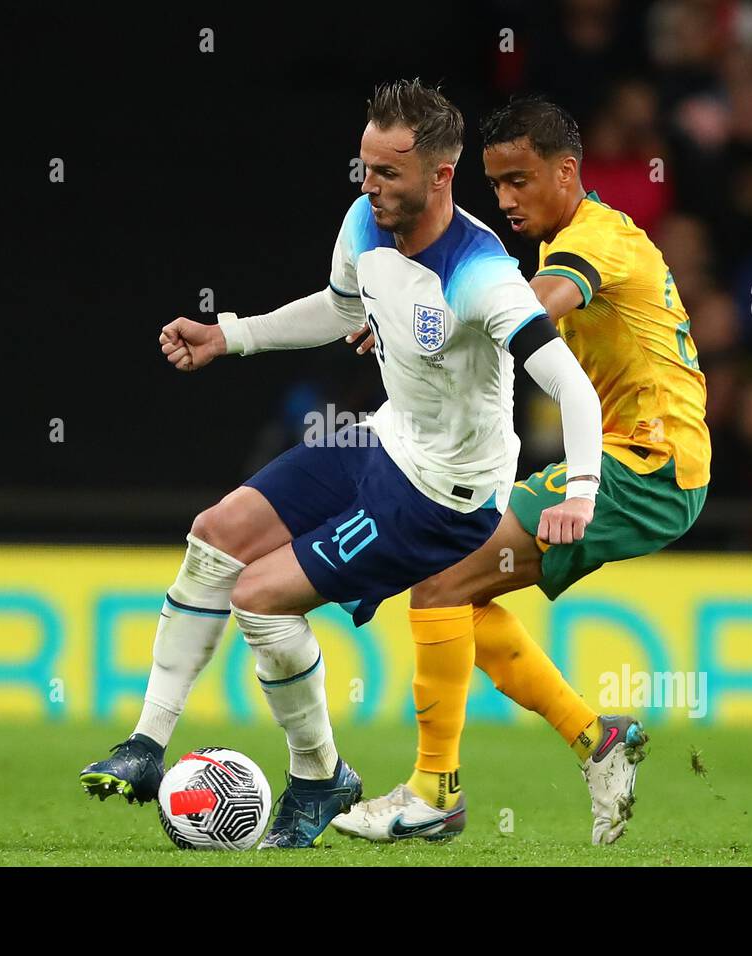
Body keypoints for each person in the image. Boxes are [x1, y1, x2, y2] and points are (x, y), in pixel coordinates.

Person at [78, 80, 606, 849]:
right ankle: (147, 744)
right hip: (382, 440)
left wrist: (582, 491)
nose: (370, 186)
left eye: (388, 173)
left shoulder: (480, 273)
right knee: (215, 534)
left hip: (441, 496)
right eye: (364, 167)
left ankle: (320, 776)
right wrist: (231, 335)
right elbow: (341, 307)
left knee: (258, 599)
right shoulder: (364, 219)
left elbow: (570, 386)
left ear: (440, 177)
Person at [333, 96, 710, 845]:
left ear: (566, 172)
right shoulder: (560, 236)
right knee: (450, 597)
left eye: (519, 181)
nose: (505, 200)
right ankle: (594, 740)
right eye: (495, 184)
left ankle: (434, 791)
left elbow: (532, 308)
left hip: (648, 464)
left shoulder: (596, 242)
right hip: (632, 457)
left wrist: (418, 319)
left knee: (441, 583)